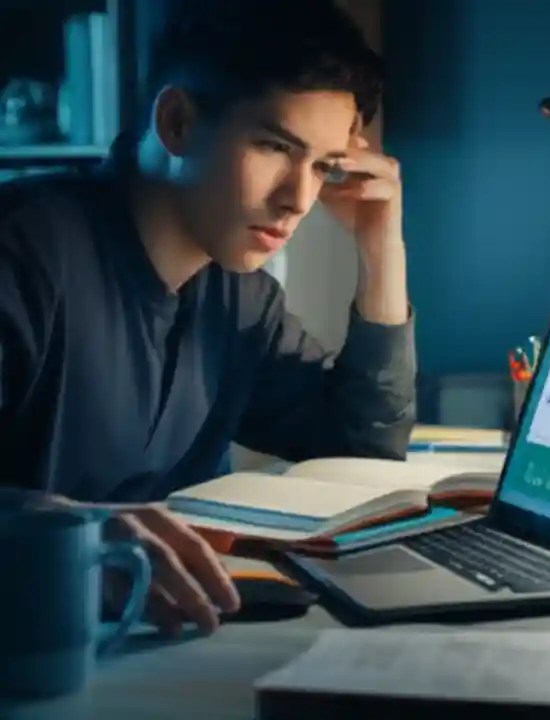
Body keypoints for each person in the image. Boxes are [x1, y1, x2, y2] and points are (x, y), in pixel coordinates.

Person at [0, 0, 416, 636]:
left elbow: (360, 453)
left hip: (151, 650)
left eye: (325, 166)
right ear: (177, 122)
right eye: (275, 147)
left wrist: (381, 247)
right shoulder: (24, 253)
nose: (300, 200)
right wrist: (62, 531)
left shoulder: (239, 296)